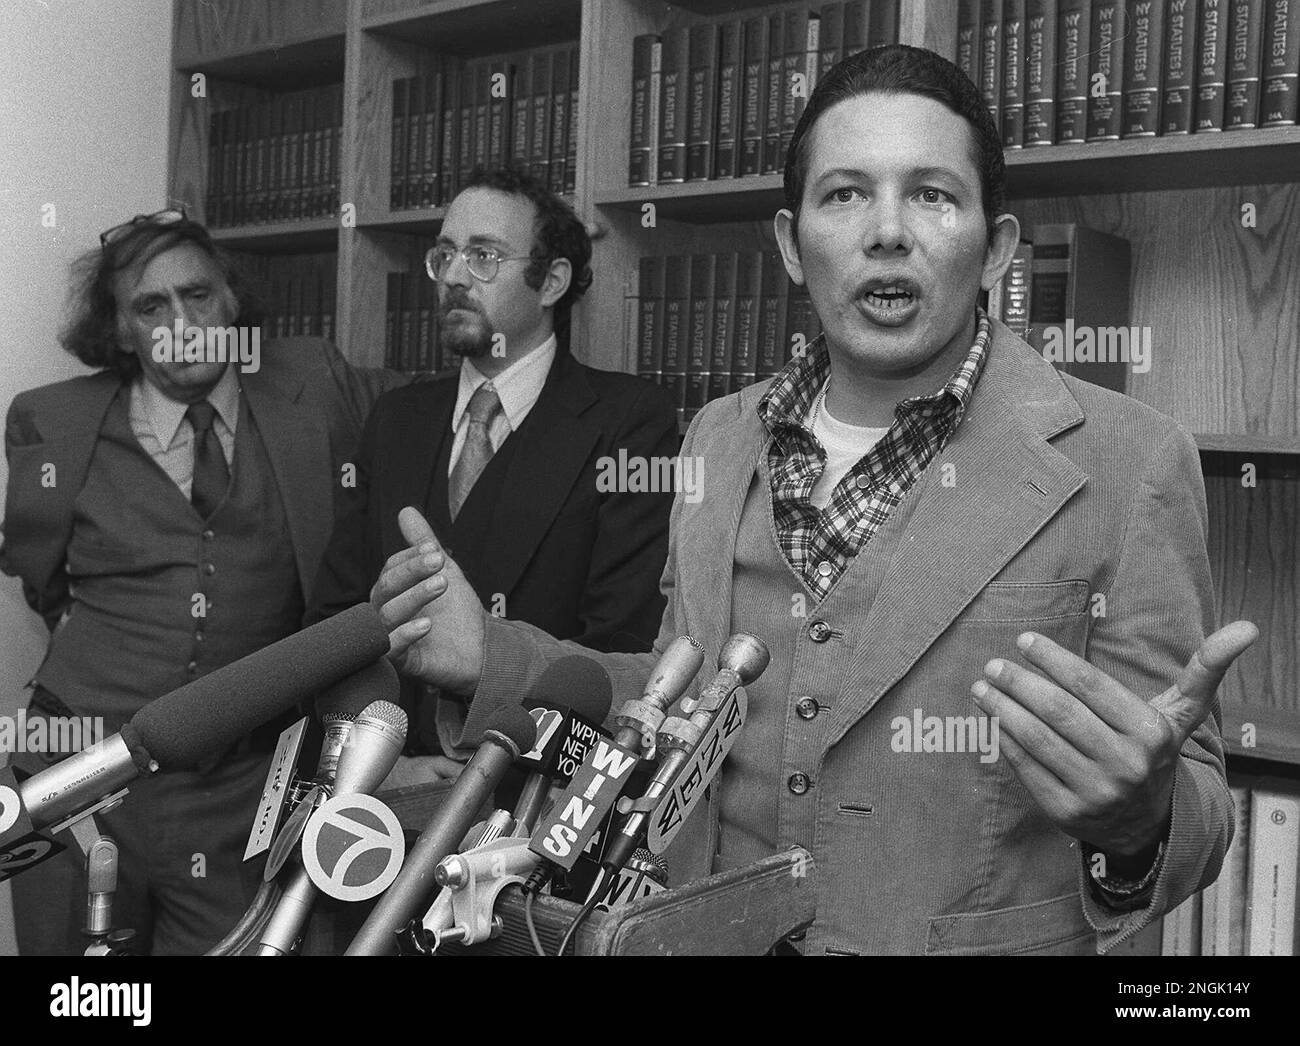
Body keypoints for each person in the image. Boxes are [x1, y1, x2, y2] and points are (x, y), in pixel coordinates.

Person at [367, 46, 1259, 956]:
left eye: (932, 195)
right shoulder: (717, 436)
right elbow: (683, 693)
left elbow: (1193, 804)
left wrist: (1140, 823)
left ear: (994, 250)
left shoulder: (1130, 461)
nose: (887, 231)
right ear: (794, 246)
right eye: (846, 194)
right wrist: (495, 659)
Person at [0, 210, 409, 955]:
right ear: (120, 330)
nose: (180, 322)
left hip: (242, 784)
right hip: (76, 774)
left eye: (198, 296)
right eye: (150, 307)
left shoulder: (314, 388)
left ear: (233, 302)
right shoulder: (50, 420)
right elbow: (40, 577)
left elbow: (435, 418)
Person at [307, 168, 677, 779]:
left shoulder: (633, 424)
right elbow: (332, 622)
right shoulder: (396, 419)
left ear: (552, 280)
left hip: (533, 807)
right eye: (445, 254)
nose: (453, 276)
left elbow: (622, 652)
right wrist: (370, 760)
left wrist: (495, 771)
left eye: (483, 256)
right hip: (375, 792)